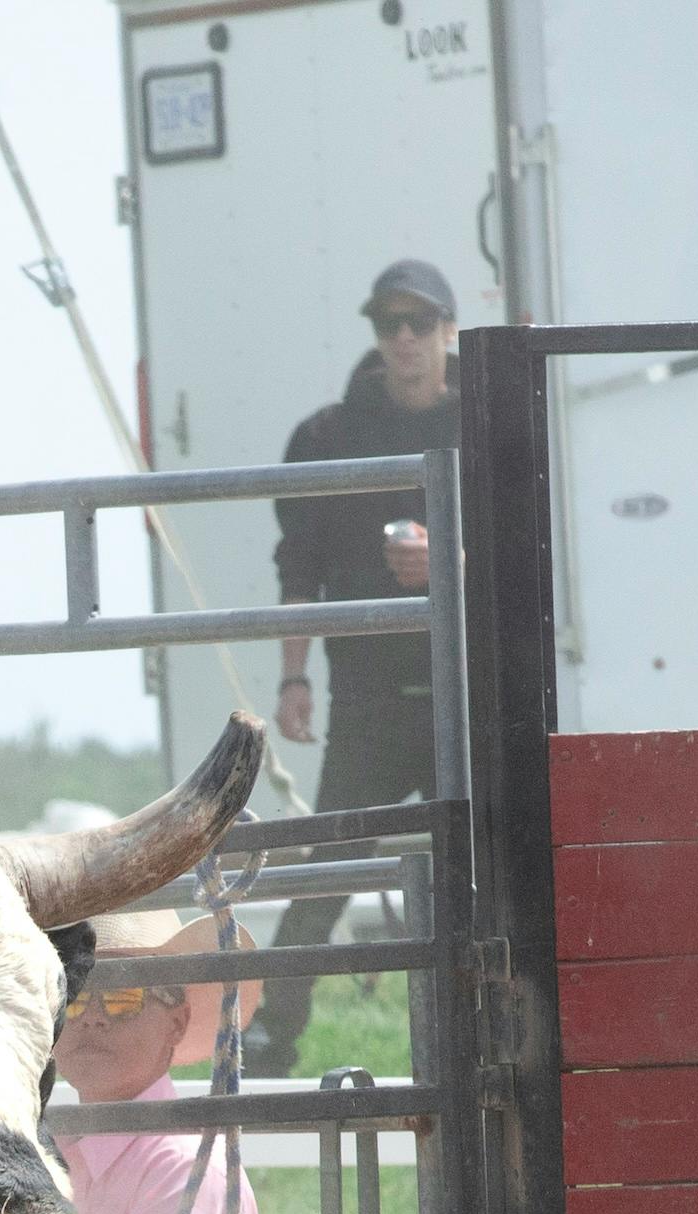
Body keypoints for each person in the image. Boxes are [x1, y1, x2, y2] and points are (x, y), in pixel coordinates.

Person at [258, 260, 453, 1076]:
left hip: (466, 691)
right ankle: (272, 1037)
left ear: (449, 331)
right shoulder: (326, 437)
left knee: (489, 872)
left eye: (418, 322)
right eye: (387, 324)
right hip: (369, 697)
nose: (402, 338)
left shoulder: (490, 422)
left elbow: (533, 543)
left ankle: (492, 1032)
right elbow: (298, 570)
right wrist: (293, 679)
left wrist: (452, 561)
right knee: (328, 869)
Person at [58, 911, 261, 1214]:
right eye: (75, 994)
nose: (92, 1016)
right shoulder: (50, 1147)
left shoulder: (187, 1167)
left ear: (177, 1022)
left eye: (121, 995)